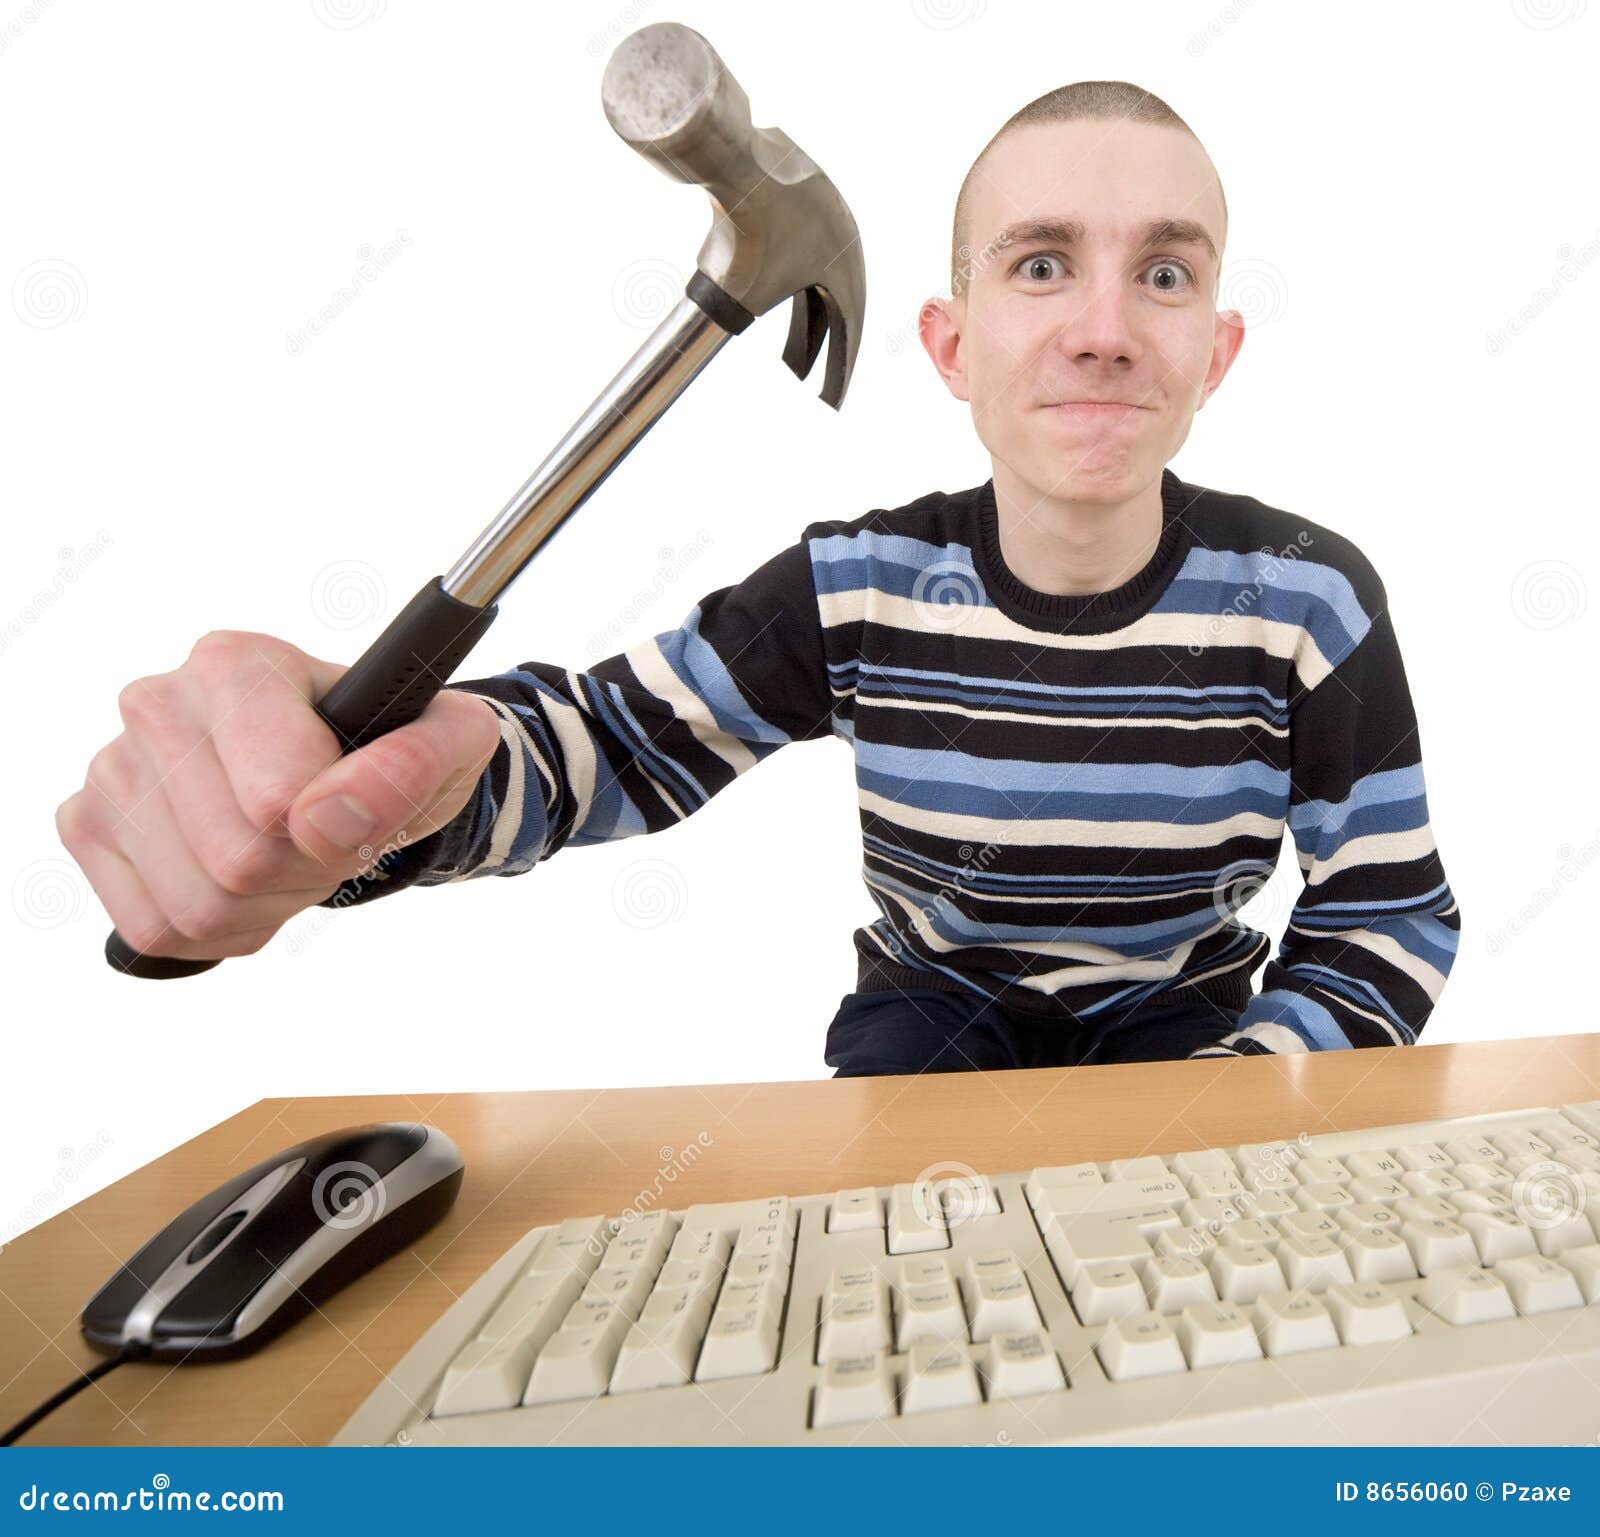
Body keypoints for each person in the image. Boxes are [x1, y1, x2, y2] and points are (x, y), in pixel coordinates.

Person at [56, 81, 1459, 1077]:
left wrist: (1244, 1081)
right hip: (930, 1030)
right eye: (1041, 265)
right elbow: (609, 743)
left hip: (1195, 1036)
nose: (1101, 329)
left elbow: (1387, 913)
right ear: (951, 345)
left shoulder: (1305, 593)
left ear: (1215, 351)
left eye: (1163, 274)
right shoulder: (855, 587)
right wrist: (397, 799)